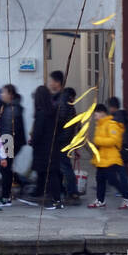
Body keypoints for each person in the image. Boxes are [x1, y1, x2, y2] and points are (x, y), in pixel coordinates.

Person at [87, 104, 128, 208]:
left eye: (96, 114)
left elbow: (114, 140)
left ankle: (127, 198)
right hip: (102, 159)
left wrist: (98, 141)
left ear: (102, 113)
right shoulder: (100, 124)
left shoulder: (112, 124)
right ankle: (100, 200)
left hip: (112, 159)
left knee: (113, 180)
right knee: (100, 180)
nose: (95, 117)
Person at [47, 71, 79, 202]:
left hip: (62, 140)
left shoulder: (62, 100)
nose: (50, 84)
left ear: (57, 83)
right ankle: (63, 189)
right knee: (60, 165)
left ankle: (72, 192)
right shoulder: (60, 98)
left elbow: (60, 121)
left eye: (52, 81)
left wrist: (58, 138)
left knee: (65, 166)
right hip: (62, 138)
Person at [0, 83, 26, 206]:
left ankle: (5, 198)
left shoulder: (11, 109)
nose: (1, 94)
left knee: (5, 170)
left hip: (9, 142)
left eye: (4, 92)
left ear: (10, 94)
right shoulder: (11, 107)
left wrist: (2, 147)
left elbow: (8, 130)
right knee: (7, 169)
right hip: (12, 142)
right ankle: (7, 196)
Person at [28, 84, 57, 205]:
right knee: (48, 172)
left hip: (42, 148)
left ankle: (53, 198)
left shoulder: (41, 113)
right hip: (51, 146)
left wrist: (32, 141)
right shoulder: (52, 111)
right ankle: (42, 192)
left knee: (46, 173)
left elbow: (38, 132)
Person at [105, 97, 128, 176]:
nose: (108, 109)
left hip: (118, 146)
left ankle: (122, 186)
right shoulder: (120, 115)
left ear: (112, 107)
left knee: (119, 168)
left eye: (109, 107)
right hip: (121, 145)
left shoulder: (116, 118)